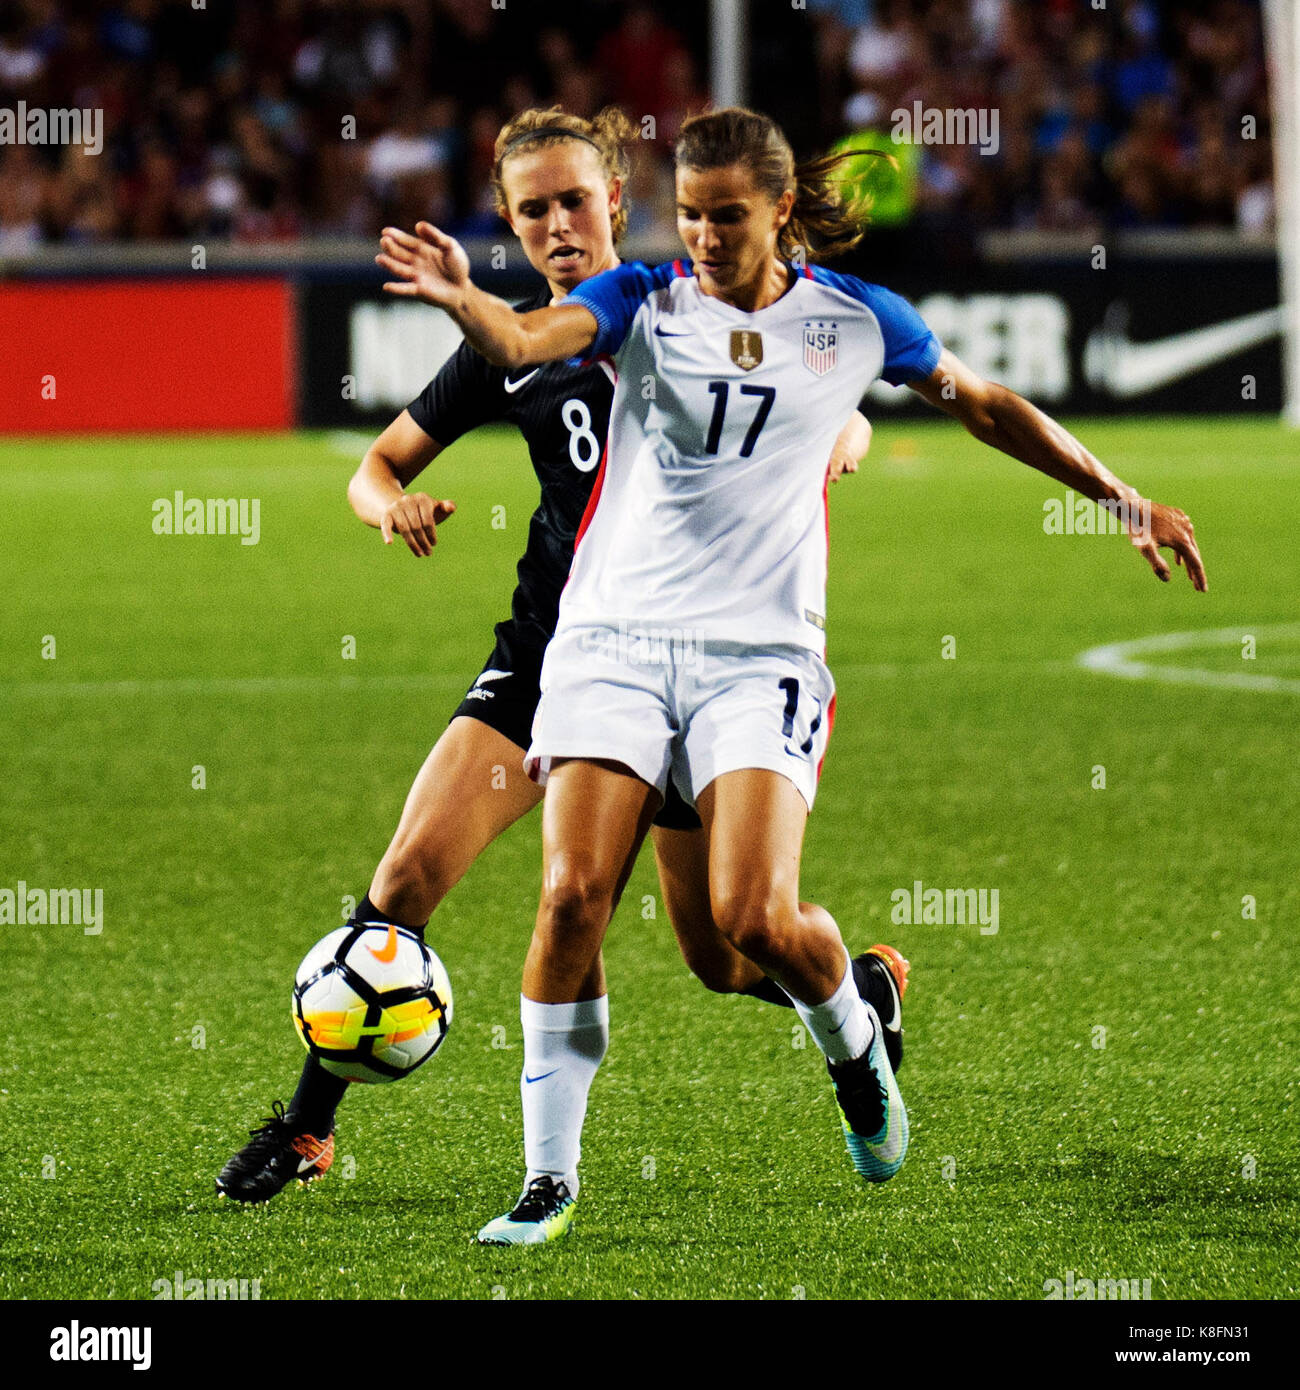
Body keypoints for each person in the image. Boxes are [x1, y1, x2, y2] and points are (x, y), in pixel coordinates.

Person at [376, 105, 1208, 1246]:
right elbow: (523, 345)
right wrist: (464, 295)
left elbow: (989, 407)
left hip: (755, 655)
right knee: (570, 895)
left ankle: (853, 1037)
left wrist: (1121, 498)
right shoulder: (638, 303)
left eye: (727, 217)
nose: (706, 240)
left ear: (776, 212)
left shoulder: (857, 324)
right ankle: (546, 1179)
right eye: (690, 216)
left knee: (749, 921)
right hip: (609, 642)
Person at [215, 106, 905, 1205]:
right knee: (403, 879)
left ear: (618, 202)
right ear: (508, 222)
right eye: (531, 208)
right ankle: (308, 1126)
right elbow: (375, 464)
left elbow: (838, 410)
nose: (557, 223)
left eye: (575, 199)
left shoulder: (681, 311)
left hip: (687, 653)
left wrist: (835, 441)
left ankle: (853, 990)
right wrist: (385, 503)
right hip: (548, 658)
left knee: (722, 953)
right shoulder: (511, 345)